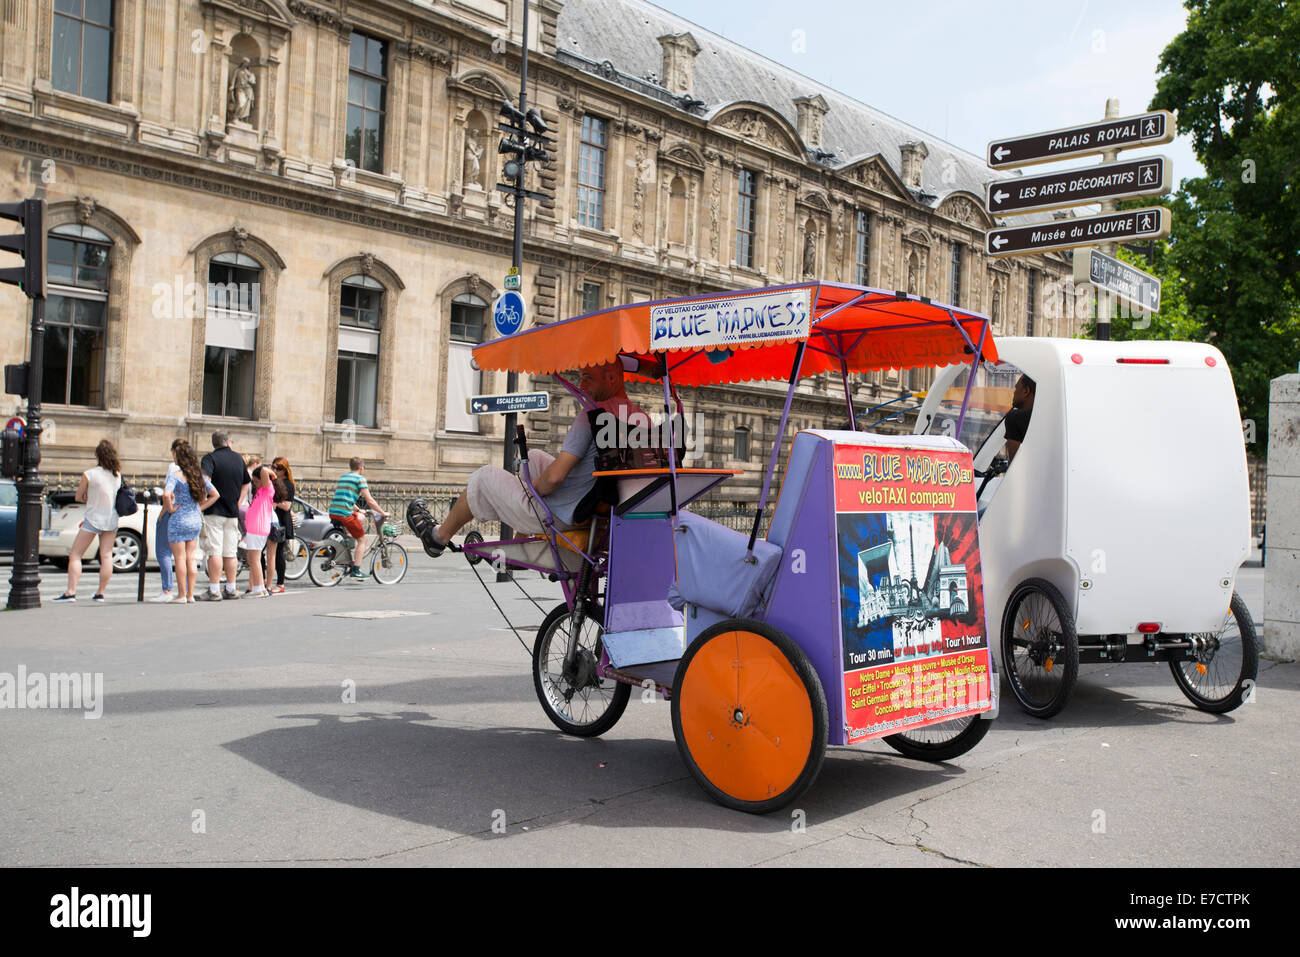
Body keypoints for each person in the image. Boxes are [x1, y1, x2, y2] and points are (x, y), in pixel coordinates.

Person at [417, 359, 650, 553]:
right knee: (537, 456)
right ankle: (521, 536)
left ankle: (438, 537)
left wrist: (536, 488)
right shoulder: (642, 419)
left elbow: (555, 479)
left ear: (612, 378)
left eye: (588, 377)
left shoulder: (591, 416)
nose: (581, 383)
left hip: (565, 514)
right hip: (601, 507)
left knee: (483, 477)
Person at [52, 439, 122, 603]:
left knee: (76, 555)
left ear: (97, 455)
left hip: (93, 517)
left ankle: (71, 592)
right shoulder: (117, 475)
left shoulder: (90, 474)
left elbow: (78, 496)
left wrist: (88, 499)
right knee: (106, 556)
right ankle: (100, 593)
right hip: (111, 519)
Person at [198, 430, 251, 601]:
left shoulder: (209, 459)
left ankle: (214, 589)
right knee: (230, 552)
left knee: (214, 551)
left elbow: (204, 478)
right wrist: (239, 501)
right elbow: (246, 483)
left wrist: (204, 499)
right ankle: (231, 587)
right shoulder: (238, 458)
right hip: (232, 512)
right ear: (228, 442)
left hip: (214, 510)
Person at [164, 440, 218, 603]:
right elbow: (215, 494)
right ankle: (190, 595)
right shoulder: (199, 477)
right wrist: (200, 507)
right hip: (194, 518)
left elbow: (166, 494)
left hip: (179, 518)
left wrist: (170, 508)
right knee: (191, 557)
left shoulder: (176, 476)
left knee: (180, 558)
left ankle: (181, 594)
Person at [328, 457, 388, 580]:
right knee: (362, 540)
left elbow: (345, 497)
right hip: (344, 513)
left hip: (334, 512)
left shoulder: (343, 477)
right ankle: (356, 570)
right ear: (361, 468)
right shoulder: (360, 479)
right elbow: (370, 501)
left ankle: (348, 541)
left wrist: (358, 510)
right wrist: (383, 513)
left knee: (360, 517)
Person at [150, 439, 185, 603]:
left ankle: (167, 588)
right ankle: (185, 590)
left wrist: (165, 511)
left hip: (173, 512)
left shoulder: (174, 468)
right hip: (187, 514)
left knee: (164, 552)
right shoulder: (193, 470)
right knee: (184, 555)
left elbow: (168, 494)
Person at [240, 465, 275, 597]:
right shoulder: (262, 490)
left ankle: (259, 587)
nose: (254, 484)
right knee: (252, 558)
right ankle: (259, 587)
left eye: (256, 481)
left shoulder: (267, 489)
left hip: (258, 528)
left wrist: (272, 474)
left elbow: (264, 471)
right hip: (256, 528)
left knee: (254, 559)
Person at [269, 457, 297, 594]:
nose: (275, 470)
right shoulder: (273, 481)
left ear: (285, 470)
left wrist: (274, 503)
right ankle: (264, 580)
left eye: (278, 468)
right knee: (264, 551)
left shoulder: (288, 484)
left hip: (281, 520)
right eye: (273, 467)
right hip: (271, 519)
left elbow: (287, 506)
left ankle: (280, 583)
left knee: (279, 553)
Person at [1003, 374, 1035, 462]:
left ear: (1026, 391)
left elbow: (1015, 463)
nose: (1014, 392)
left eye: (1016, 388)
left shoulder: (1015, 418)